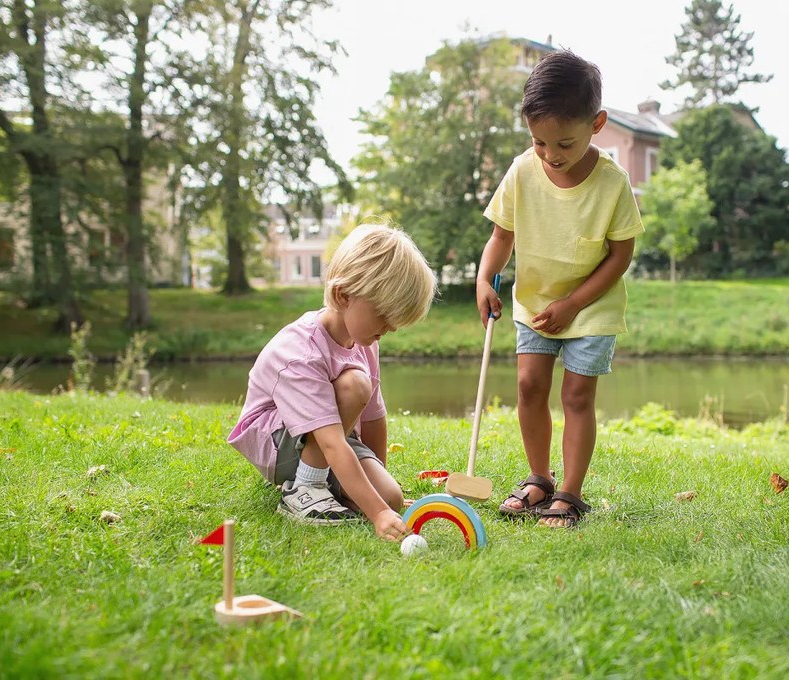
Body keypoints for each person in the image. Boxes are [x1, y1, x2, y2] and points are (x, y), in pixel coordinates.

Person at [477, 50, 644, 529]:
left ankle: (569, 493)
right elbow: (501, 236)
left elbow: (620, 256)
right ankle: (538, 480)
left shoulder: (613, 183)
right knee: (530, 386)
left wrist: (573, 303)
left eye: (563, 143)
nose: (550, 154)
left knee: (575, 397)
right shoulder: (523, 170)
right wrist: (484, 278)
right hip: (535, 303)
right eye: (539, 142)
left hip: (589, 306)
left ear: (598, 124)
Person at [228, 223, 437, 541]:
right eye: (384, 314)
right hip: (278, 441)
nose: (391, 326)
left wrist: (380, 494)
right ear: (343, 295)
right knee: (355, 385)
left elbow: (373, 417)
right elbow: (329, 442)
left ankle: (327, 483)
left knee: (391, 497)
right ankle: (304, 489)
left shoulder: (365, 339)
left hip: (329, 435)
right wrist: (377, 513)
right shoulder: (301, 352)